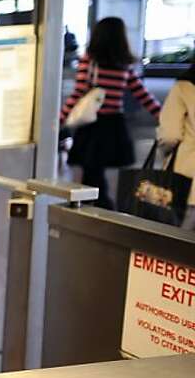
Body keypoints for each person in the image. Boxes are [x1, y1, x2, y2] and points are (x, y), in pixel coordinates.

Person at [60, 17, 162, 209]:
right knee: (100, 171)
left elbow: (78, 93)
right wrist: (162, 116)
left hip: (93, 125)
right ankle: (101, 204)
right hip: (114, 124)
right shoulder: (123, 64)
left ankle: (99, 205)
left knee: (92, 169)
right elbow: (142, 93)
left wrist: (61, 117)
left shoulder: (89, 61)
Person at [158, 59, 195, 229]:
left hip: (186, 183)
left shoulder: (185, 87)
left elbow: (170, 136)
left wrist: (165, 152)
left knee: (176, 247)